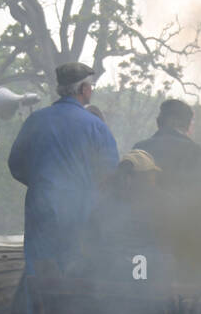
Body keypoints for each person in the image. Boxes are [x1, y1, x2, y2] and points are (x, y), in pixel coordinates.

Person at [8, 61, 119, 274]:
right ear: (84, 89)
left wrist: (42, 184)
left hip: (41, 211)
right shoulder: (96, 127)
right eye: (91, 87)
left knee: (39, 276)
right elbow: (110, 175)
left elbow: (16, 165)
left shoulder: (35, 121)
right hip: (81, 214)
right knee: (77, 278)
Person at [134, 98, 201, 186]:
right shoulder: (194, 151)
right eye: (191, 123)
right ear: (184, 123)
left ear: (159, 121)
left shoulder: (139, 148)